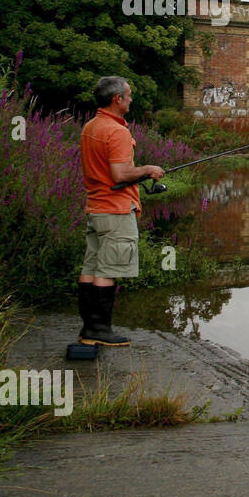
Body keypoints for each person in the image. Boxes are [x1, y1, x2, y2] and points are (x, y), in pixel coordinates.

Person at [76, 77, 164, 346]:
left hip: (96, 207)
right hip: (115, 210)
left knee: (91, 267)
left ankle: (89, 330)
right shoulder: (117, 131)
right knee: (108, 270)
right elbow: (119, 173)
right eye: (128, 95)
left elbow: (106, 173)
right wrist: (148, 170)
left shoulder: (91, 127)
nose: (131, 99)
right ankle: (100, 331)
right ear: (117, 99)